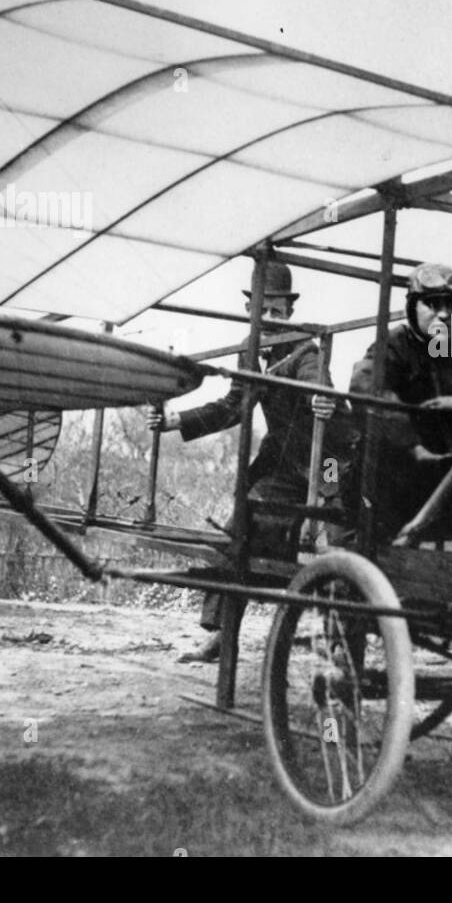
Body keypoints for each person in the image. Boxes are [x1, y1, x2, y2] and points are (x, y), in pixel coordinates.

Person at [148, 258, 343, 662]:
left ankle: (342, 633)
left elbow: (317, 383)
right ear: (248, 311)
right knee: (239, 531)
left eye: (276, 311)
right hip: (283, 466)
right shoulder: (249, 353)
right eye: (261, 310)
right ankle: (223, 634)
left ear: (290, 313)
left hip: (328, 461)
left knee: (338, 543)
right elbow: (233, 406)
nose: (268, 319)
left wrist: (321, 398)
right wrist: (174, 420)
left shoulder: (305, 349)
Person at [348, 262, 452, 544]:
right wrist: (414, 447)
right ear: (413, 306)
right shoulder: (394, 344)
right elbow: (364, 387)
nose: (442, 314)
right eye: (431, 304)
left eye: (450, 305)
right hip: (398, 482)